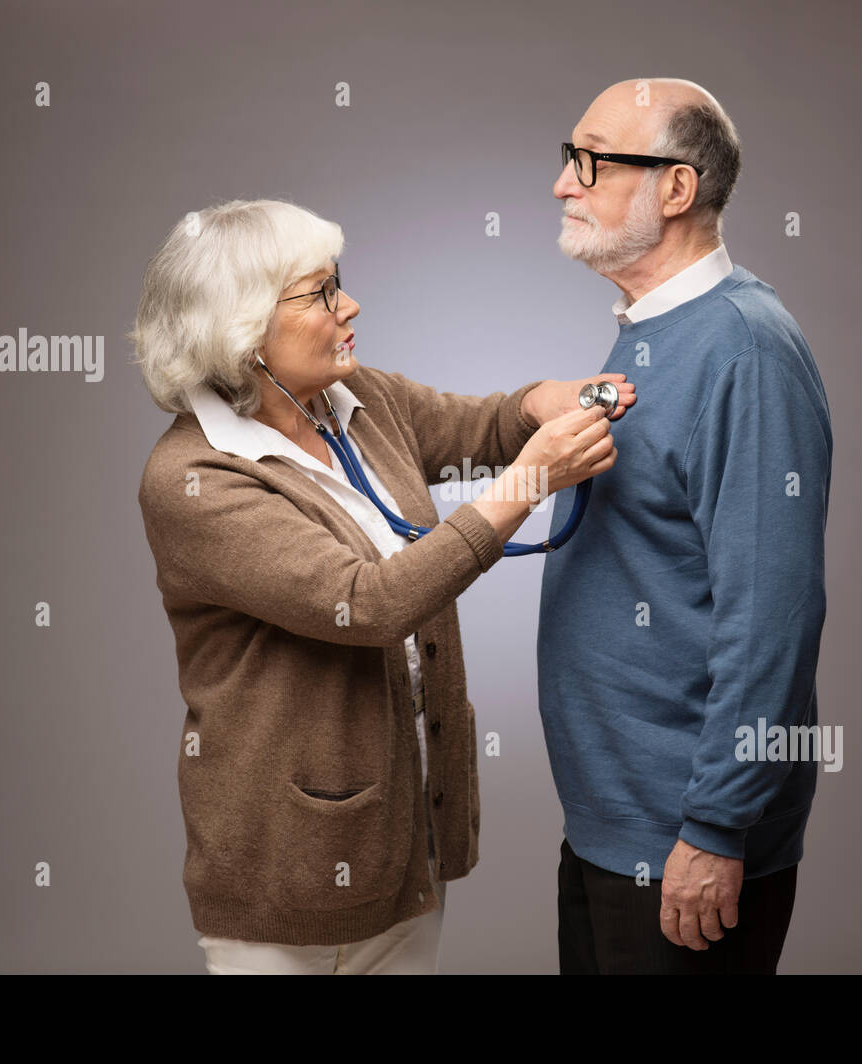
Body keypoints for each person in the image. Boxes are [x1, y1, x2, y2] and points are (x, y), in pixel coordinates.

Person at [131, 197, 634, 974]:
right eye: (320, 292)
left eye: (340, 282)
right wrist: (532, 479)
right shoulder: (193, 479)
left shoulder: (353, 403)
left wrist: (543, 402)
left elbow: (484, 428)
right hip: (286, 875)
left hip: (404, 843)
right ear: (241, 331)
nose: (350, 304)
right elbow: (368, 603)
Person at [538, 78, 833, 974]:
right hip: (614, 825)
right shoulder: (653, 329)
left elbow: (773, 617)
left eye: (591, 161)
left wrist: (714, 827)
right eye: (568, 158)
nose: (563, 184)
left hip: (683, 843)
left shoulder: (743, 347)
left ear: (675, 189)